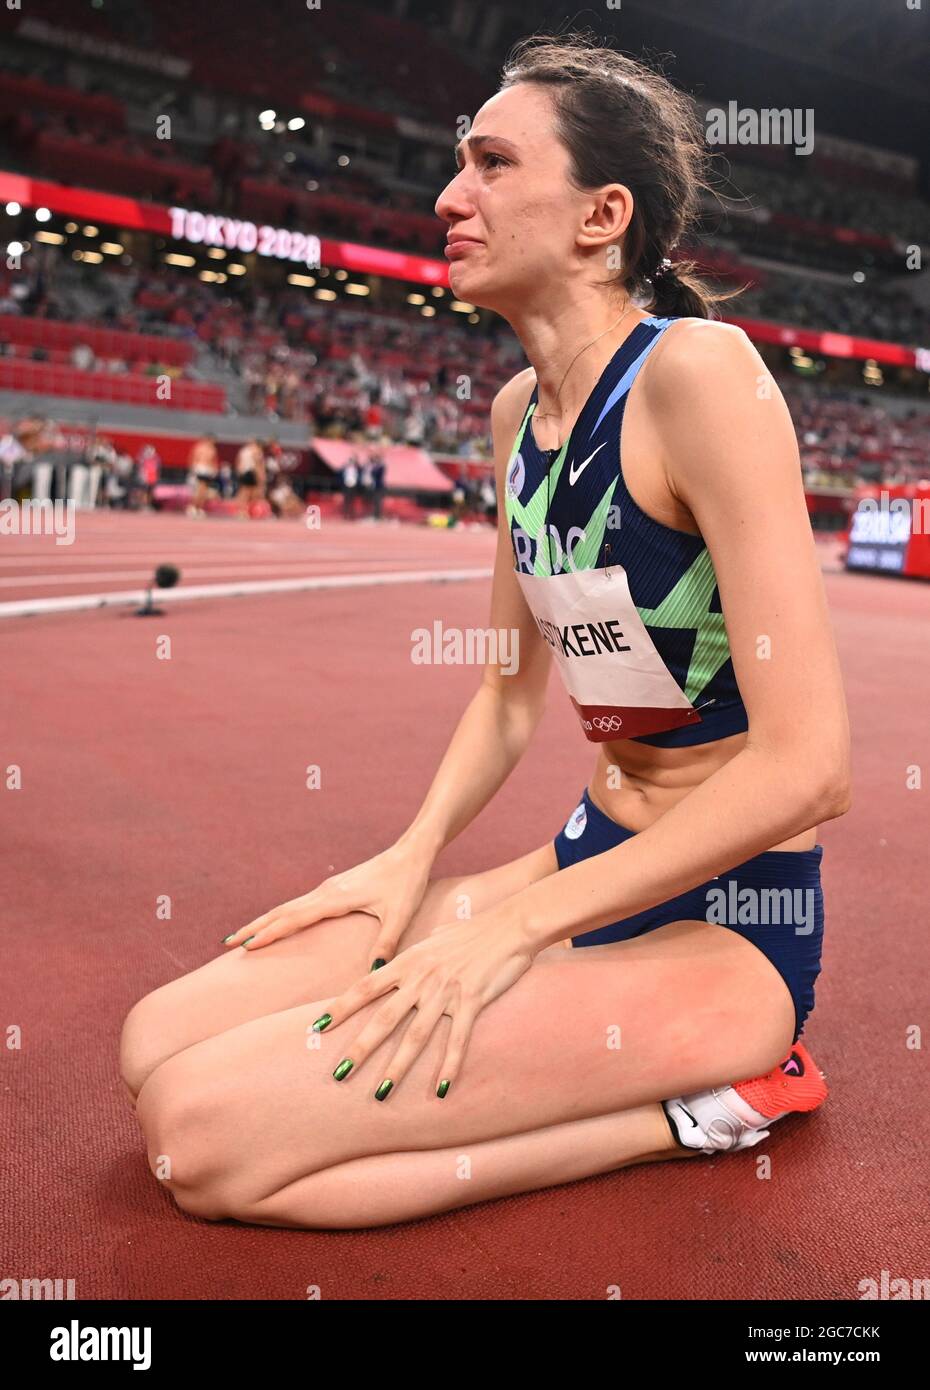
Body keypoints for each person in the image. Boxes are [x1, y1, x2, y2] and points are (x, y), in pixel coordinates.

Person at [121, 36, 849, 1230]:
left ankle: (710, 1103)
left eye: (493, 164)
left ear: (602, 215)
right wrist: (408, 860)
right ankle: (589, 1044)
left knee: (203, 1144)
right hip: (578, 866)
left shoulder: (700, 378)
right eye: (458, 163)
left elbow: (811, 768)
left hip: (729, 925)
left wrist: (510, 931)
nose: (450, 197)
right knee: (155, 1042)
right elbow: (510, 696)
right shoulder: (517, 414)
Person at [187, 435, 218, 517]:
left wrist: (214, 470)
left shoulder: (213, 449)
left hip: (208, 470)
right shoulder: (200, 447)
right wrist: (192, 469)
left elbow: (213, 461)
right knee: (199, 490)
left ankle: (199, 508)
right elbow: (193, 458)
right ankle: (194, 507)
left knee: (204, 491)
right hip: (200, 468)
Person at [234, 438, 265, 516]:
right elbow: (257, 464)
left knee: (244, 492)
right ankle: (244, 510)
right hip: (251, 472)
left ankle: (242, 510)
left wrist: (239, 471)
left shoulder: (244, 451)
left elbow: (238, 462)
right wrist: (260, 476)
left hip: (244, 472)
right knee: (250, 493)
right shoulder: (256, 450)